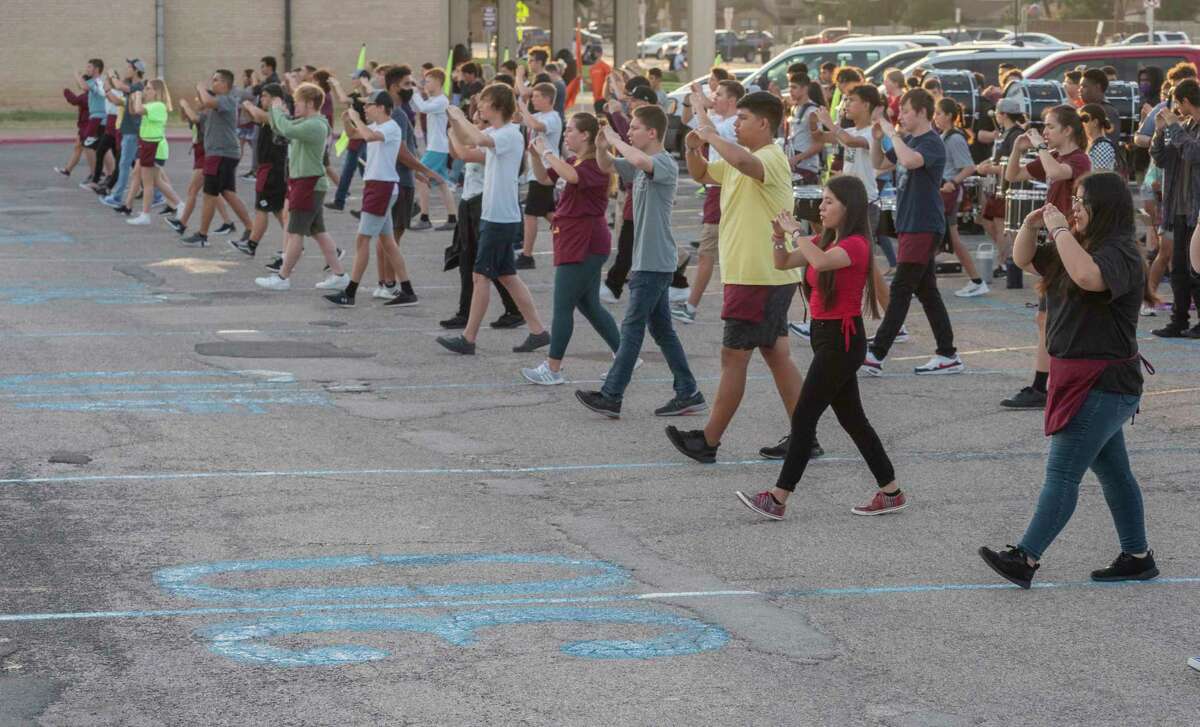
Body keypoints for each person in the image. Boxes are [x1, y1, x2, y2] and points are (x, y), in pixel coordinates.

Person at [979, 173, 1156, 590]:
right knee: (1115, 474)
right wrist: (1031, 225)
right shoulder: (1076, 246)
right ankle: (1137, 556)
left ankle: (1025, 557)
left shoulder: (1120, 253)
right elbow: (1023, 259)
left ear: (1105, 208)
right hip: (1081, 380)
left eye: (1082, 201)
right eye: (1074, 200)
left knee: (1062, 472)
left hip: (1103, 382)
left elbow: (1089, 278)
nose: (1074, 207)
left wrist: (1060, 229)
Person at [736, 176, 903, 519]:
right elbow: (782, 263)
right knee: (854, 420)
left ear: (848, 207)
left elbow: (822, 263)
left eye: (829, 202)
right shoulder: (823, 239)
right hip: (825, 337)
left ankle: (778, 498)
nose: (821, 207)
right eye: (822, 200)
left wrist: (796, 232)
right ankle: (891, 492)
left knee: (804, 416)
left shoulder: (855, 244)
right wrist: (777, 237)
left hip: (842, 340)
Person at [663, 91, 810, 463]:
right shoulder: (741, 156)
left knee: (733, 356)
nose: (737, 124)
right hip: (758, 274)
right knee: (776, 355)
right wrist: (694, 146)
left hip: (758, 274)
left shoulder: (770, 157)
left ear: (764, 123)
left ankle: (708, 441)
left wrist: (711, 133)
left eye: (743, 118)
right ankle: (805, 435)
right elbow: (702, 173)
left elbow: (742, 161)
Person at [575, 105, 703, 419]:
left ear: (652, 133)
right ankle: (688, 392)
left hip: (654, 260)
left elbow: (638, 159)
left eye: (634, 128)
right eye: (629, 128)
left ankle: (612, 395)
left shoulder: (664, 163)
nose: (630, 132)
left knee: (632, 328)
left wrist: (617, 138)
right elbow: (609, 167)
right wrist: (603, 147)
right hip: (649, 260)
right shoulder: (640, 162)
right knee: (662, 332)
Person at [435, 84, 550, 355]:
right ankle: (538, 331)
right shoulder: (497, 132)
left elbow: (477, 139)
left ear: (497, 106)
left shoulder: (510, 134)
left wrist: (461, 117)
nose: (480, 107)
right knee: (508, 276)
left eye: (484, 102)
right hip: (494, 215)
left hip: (501, 217)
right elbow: (466, 141)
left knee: (480, 276)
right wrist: (454, 119)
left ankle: (468, 338)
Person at [865, 88, 964, 377]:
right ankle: (948, 353)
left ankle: (877, 352)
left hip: (925, 224)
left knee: (901, 289)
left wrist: (890, 131)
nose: (902, 116)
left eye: (906, 111)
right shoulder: (908, 140)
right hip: (909, 223)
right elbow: (880, 165)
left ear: (922, 112)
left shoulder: (932, 142)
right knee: (928, 291)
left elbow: (909, 161)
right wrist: (875, 140)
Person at [520, 114, 624, 385]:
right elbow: (545, 179)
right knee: (589, 305)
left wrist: (547, 151)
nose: (566, 134)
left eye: (570, 130)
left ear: (586, 135)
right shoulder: (572, 161)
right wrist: (534, 155)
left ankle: (553, 369)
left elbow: (572, 177)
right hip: (574, 240)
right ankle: (626, 355)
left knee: (562, 306)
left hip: (585, 242)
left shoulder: (593, 165)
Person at [1002, 105, 1092, 409]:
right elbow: (1012, 175)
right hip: (1056, 243)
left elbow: (1055, 173)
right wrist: (1017, 147)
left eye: (1051, 127)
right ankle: (1044, 385)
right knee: (1045, 317)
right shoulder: (1055, 156)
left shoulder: (1078, 159)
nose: (1046, 132)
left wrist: (1040, 146)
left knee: (1053, 318)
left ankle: (1048, 386)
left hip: (1071, 244)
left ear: (1068, 130)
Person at [323, 91, 418, 308]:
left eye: (369, 105)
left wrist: (357, 118)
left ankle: (350, 292)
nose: (365, 108)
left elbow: (367, 136)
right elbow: (354, 135)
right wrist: (347, 120)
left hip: (382, 188)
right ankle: (408, 291)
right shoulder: (376, 127)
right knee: (388, 242)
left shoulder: (391, 127)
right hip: (376, 186)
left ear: (383, 107)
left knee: (362, 240)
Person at [254, 82, 349, 291]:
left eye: (298, 102)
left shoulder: (315, 125)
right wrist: (281, 114)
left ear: (310, 103)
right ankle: (340, 274)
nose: (295, 106)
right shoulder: (306, 122)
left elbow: (285, 127)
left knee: (296, 231)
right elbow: (282, 129)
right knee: (318, 232)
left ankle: (283, 277)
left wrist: (277, 109)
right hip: (303, 182)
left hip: (309, 183)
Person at [442, 106, 523, 329]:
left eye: (481, 121)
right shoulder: (483, 139)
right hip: (469, 201)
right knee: (467, 260)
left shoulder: (496, 142)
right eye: (475, 120)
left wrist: (454, 130)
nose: (477, 124)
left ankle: (513, 310)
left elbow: (465, 155)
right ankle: (464, 312)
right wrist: (453, 129)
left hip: (483, 203)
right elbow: (455, 152)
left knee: (487, 266)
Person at [672, 79, 745, 325]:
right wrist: (690, 101)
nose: (715, 98)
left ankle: (691, 307)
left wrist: (700, 105)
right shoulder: (719, 120)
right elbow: (687, 122)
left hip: (722, 190)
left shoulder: (733, 124)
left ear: (732, 100)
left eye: (720, 94)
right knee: (716, 253)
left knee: (707, 252)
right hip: (715, 189)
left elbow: (707, 132)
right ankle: (697, 304)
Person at [1148, 78, 1200, 339]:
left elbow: (1194, 153)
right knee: (1178, 268)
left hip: (1197, 211)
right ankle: (1178, 320)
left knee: (1196, 269)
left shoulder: (1188, 128)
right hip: (1178, 208)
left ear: (1186, 102)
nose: (1175, 108)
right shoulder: (1186, 125)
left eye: (1177, 103)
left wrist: (1173, 127)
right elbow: (1163, 158)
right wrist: (1159, 131)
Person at [180, 69, 255, 246]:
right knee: (228, 193)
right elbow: (197, 115)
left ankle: (202, 235)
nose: (212, 83)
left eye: (216, 80)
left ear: (225, 84)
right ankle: (250, 227)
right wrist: (188, 105)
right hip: (219, 153)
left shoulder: (227, 99)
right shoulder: (215, 103)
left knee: (209, 194)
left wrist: (200, 87)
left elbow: (206, 100)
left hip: (221, 153)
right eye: (212, 80)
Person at [932, 97, 987, 298]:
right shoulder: (943, 135)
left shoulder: (954, 138)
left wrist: (952, 182)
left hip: (949, 195)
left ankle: (976, 280)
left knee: (941, 239)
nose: (935, 117)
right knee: (946, 240)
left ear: (948, 115)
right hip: (942, 193)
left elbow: (969, 167)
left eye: (938, 113)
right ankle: (975, 280)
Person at [230, 84, 289, 256]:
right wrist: (248, 107)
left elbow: (257, 114)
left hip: (272, 169)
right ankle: (292, 244)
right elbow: (250, 118)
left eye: (264, 96)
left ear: (275, 99)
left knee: (262, 208)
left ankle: (252, 245)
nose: (261, 99)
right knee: (277, 209)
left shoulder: (277, 115)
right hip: (269, 168)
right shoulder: (269, 115)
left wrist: (248, 104)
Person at [513, 82, 563, 270]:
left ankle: (527, 255)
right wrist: (520, 99)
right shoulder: (538, 114)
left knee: (531, 214)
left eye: (537, 96)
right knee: (548, 212)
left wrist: (524, 107)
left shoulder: (552, 117)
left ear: (548, 99)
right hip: (537, 170)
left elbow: (535, 125)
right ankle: (572, 232)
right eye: (532, 96)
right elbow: (518, 118)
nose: (533, 99)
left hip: (546, 170)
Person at [975, 98, 1027, 277]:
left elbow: (1015, 165)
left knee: (1000, 224)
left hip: (1008, 187)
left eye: (997, 113)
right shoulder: (1008, 133)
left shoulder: (1015, 135)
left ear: (1004, 114)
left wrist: (989, 168)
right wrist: (985, 164)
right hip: (999, 185)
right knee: (986, 220)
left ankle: (1004, 262)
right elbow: (999, 159)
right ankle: (1006, 257)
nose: (996, 116)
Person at [125, 80, 183, 226]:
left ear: (157, 92)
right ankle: (180, 205)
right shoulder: (150, 105)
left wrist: (138, 97)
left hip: (153, 145)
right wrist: (132, 99)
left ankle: (145, 215)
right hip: (149, 144)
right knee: (156, 181)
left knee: (148, 182)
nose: (145, 91)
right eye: (145, 88)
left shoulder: (158, 105)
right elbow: (133, 111)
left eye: (148, 88)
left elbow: (138, 110)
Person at [410, 67, 458, 231]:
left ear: (438, 82)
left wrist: (415, 91)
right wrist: (414, 90)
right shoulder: (433, 99)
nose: (425, 84)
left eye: (428, 81)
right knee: (441, 183)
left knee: (420, 177)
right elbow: (417, 107)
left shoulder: (442, 101)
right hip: (436, 147)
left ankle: (424, 217)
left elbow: (422, 108)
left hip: (437, 148)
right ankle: (452, 218)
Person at [1080, 69, 1121, 144]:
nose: (1080, 90)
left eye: (1084, 86)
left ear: (1097, 87)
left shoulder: (1108, 111)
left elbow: (1108, 143)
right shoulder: (1084, 109)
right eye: (1080, 86)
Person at [1081, 103, 1120, 172]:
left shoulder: (1102, 147)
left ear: (1095, 122)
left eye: (1084, 120)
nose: (1081, 124)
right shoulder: (1091, 145)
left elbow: (1101, 177)